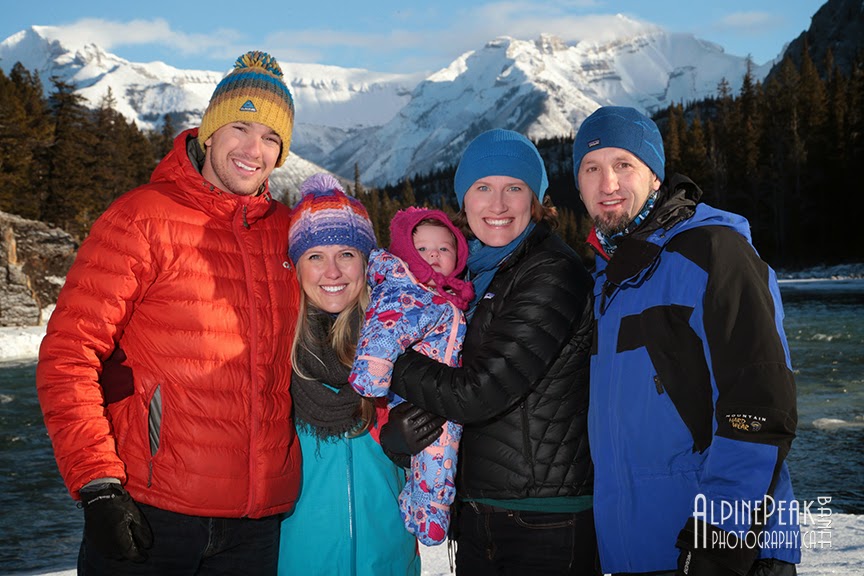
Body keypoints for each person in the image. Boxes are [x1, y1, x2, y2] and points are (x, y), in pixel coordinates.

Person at [35, 51, 301, 575]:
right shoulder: (142, 217)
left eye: (271, 138)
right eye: (240, 128)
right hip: (151, 511)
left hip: (258, 525)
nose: (254, 150)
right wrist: (97, 484)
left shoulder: (289, 233)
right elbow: (68, 355)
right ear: (209, 132)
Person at [572, 106, 800, 576]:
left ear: (655, 176)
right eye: (591, 169)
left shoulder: (713, 252)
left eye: (623, 164)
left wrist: (718, 542)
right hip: (639, 554)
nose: (607, 183)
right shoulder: (606, 281)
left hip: (725, 555)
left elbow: (760, 406)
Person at [385, 129, 598, 575]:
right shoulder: (476, 276)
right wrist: (405, 436)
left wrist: (386, 356)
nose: (497, 205)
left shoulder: (550, 273)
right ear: (464, 200)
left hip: (542, 520)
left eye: (514, 188)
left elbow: (478, 393)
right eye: (483, 187)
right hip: (488, 512)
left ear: (535, 200)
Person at [277, 173, 423, 576]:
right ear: (297, 266)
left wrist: (412, 449)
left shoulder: (402, 343)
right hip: (299, 562)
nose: (332, 272)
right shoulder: (275, 353)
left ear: (366, 262)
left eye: (346, 254)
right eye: (315, 256)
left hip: (389, 560)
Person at [349, 207, 474, 546]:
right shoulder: (406, 290)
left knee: (440, 454)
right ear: (406, 252)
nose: (434, 254)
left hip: (442, 392)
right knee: (436, 452)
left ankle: (429, 507)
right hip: (414, 396)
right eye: (423, 248)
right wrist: (373, 371)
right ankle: (430, 510)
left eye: (444, 248)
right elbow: (385, 330)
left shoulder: (447, 296)